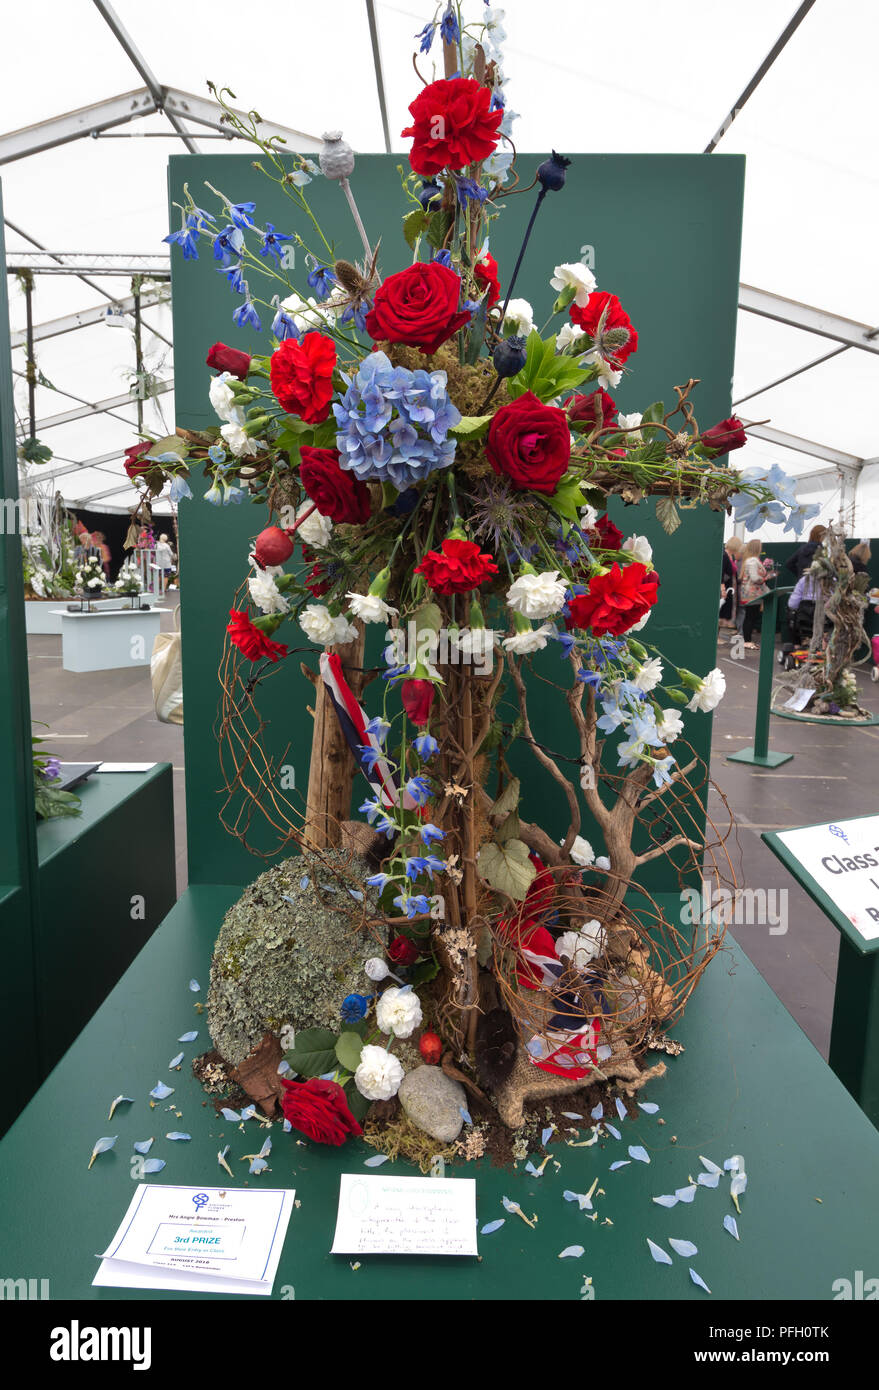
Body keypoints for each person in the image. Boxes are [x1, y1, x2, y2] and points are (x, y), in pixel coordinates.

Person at [739, 538, 768, 648]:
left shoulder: (751, 560)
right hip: (752, 594)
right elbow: (755, 578)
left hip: (752, 593)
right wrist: (764, 578)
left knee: (750, 617)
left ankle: (747, 640)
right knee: (750, 617)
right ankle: (747, 641)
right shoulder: (752, 561)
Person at [720, 536, 742, 629]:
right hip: (725, 587)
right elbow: (721, 573)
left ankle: (718, 636)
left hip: (729, 586)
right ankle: (716, 637)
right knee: (721, 611)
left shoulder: (729, 555)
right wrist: (722, 589)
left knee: (723, 610)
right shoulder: (724, 555)